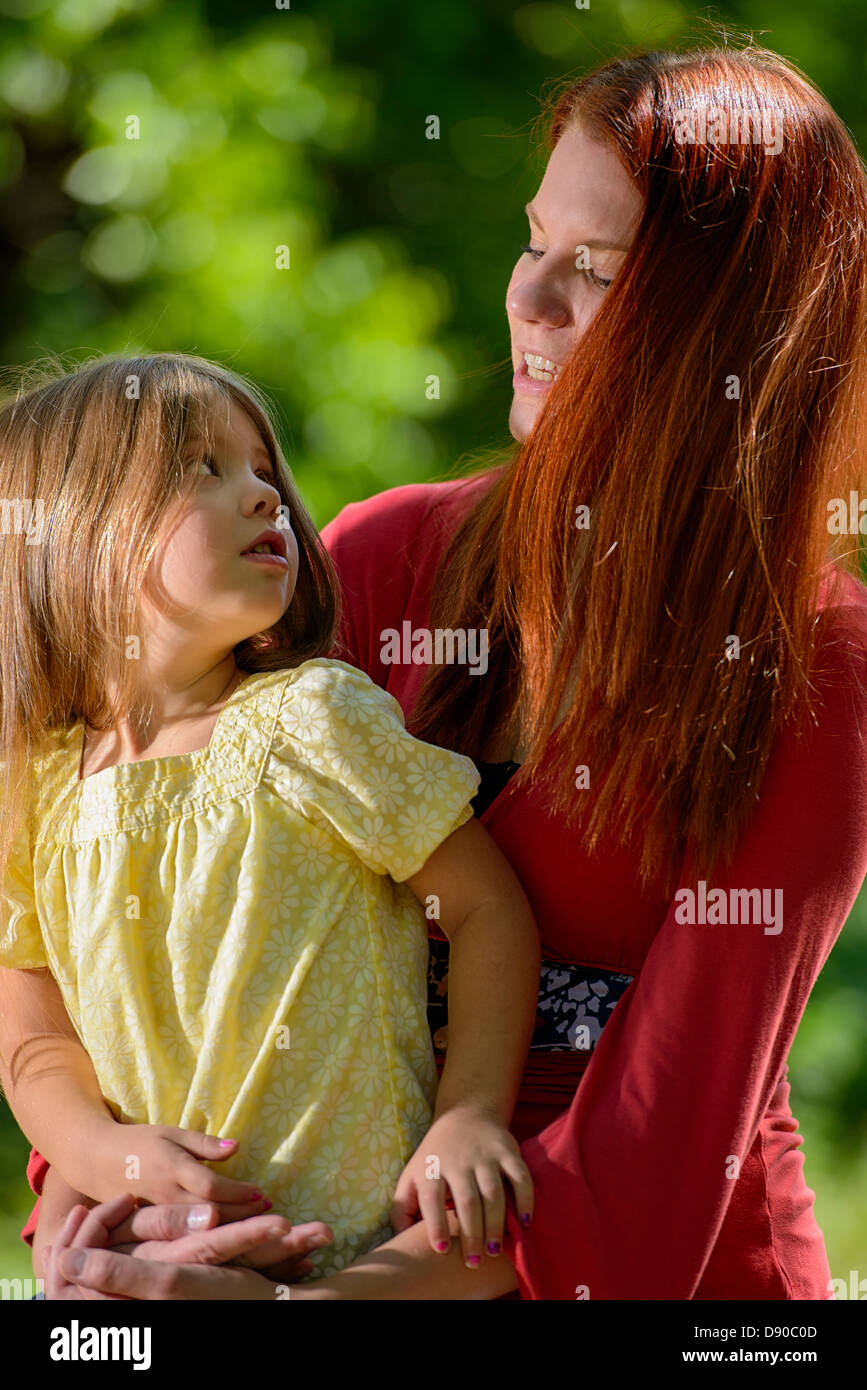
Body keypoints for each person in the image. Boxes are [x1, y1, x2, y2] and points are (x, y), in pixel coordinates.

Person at [20, 34, 867, 1301]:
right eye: (535, 242)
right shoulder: (382, 557)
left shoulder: (820, 667)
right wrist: (116, 1225)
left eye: (594, 271)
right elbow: (122, 926)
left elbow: (670, 1128)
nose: (527, 298)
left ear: (721, 331)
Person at [0, 351, 543, 1292]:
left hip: (361, 1248)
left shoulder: (313, 719)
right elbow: (35, 1040)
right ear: (72, 535)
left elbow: (486, 910)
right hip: (165, 1256)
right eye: (201, 469)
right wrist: (101, 1155)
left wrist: (471, 1114)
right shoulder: (35, 788)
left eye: (261, 469)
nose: (264, 498)